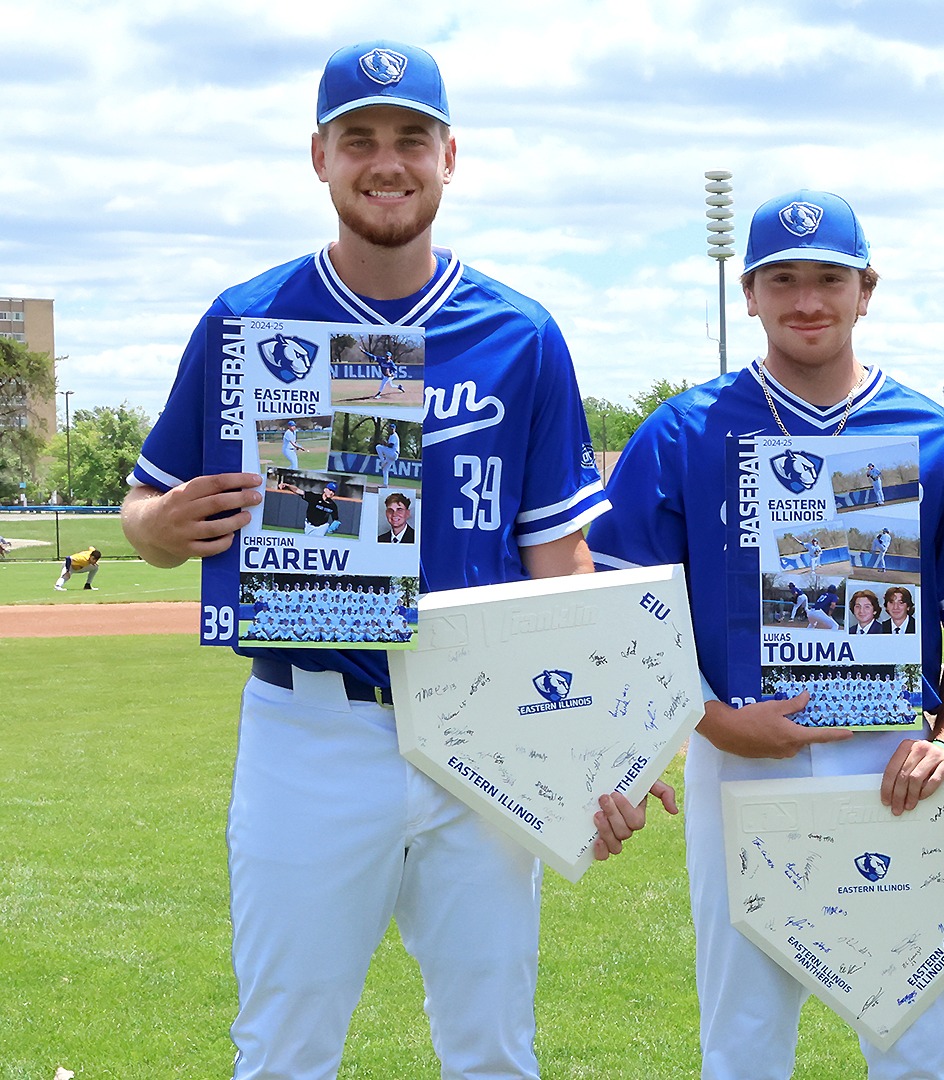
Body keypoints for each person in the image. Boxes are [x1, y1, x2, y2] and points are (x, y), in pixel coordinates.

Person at [118, 40, 668, 1078]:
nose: (387, 162)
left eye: (411, 138)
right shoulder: (247, 317)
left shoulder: (520, 331)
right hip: (310, 726)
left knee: (494, 1050)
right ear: (318, 157)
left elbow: (558, 557)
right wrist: (160, 528)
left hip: (485, 733)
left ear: (449, 156)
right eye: (359, 138)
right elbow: (144, 506)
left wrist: (599, 745)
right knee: (283, 1048)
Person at [587, 188, 944, 1078]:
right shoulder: (683, 431)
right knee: (742, 1038)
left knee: (914, 1034)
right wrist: (709, 719)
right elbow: (628, 616)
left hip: (889, 756)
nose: (807, 299)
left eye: (830, 278)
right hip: (738, 752)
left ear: (867, 289)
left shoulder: (935, 436)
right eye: (783, 279)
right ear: (748, 294)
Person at [277, 478, 341, 536]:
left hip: (322, 527)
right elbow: (298, 491)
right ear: (325, 490)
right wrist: (287, 486)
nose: (331, 492)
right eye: (330, 490)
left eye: (333, 491)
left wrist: (335, 525)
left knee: (317, 543)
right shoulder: (314, 497)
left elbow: (336, 519)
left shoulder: (333, 506)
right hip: (309, 525)